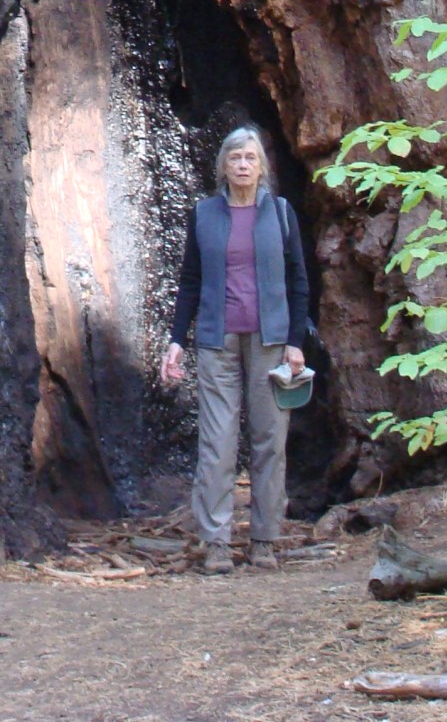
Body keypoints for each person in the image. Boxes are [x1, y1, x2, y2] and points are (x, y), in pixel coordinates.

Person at [160, 125, 310, 576]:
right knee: (218, 444)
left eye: (250, 158)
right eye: (234, 159)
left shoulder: (281, 213)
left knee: (269, 442)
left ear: (261, 165)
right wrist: (175, 339)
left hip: (271, 341)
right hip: (216, 341)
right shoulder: (204, 214)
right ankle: (217, 543)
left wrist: (296, 343)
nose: (243, 166)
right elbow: (189, 281)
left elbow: (298, 282)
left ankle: (264, 538)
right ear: (222, 166)